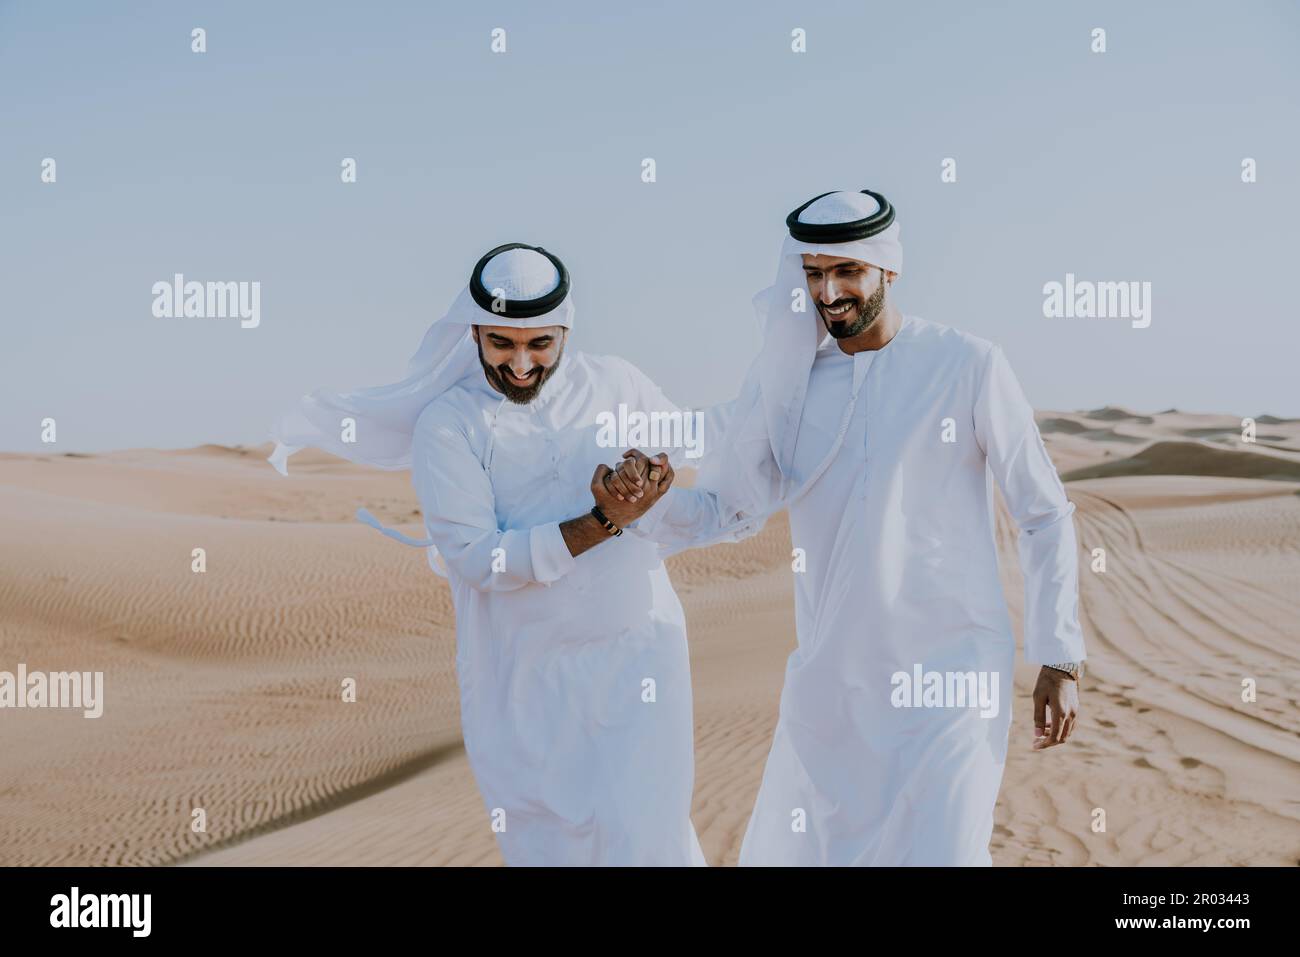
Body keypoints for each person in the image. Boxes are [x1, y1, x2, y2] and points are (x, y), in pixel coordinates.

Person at [619, 190, 1086, 865]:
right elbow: (729, 509)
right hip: (835, 687)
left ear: (888, 271)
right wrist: (649, 505)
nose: (828, 292)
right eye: (813, 274)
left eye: (846, 272)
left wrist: (1060, 652)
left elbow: (1043, 510)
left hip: (952, 677)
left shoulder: (967, 364)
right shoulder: (791, 387)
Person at [268, 243, 705, 866]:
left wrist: (649, 472)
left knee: (653, 842)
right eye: (502, 344)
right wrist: (606, 519)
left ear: (565, 331)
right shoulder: (449, 425)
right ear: (473, 331)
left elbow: (685, 443)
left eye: (540, 344)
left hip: (639, 662)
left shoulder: (616, 383)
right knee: (557, 848)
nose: (521, 363)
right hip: (527, 682)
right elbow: (479, 558)